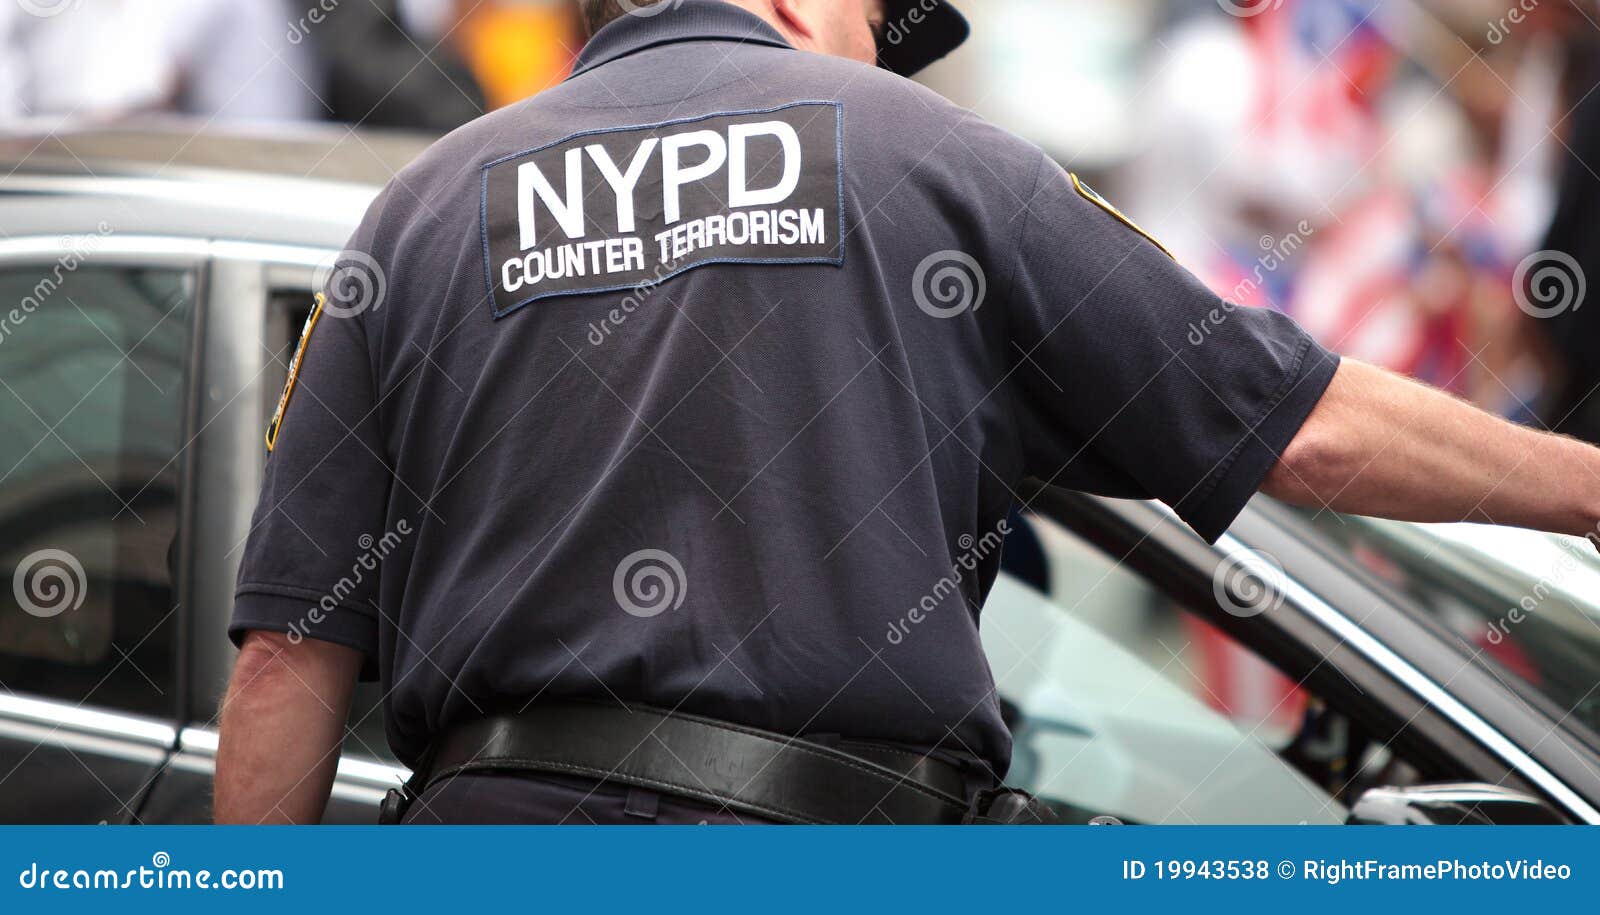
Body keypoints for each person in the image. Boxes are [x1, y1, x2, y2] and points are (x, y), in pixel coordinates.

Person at [215, 0, 1600, 826]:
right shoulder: (932, 163)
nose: (887, 47)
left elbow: (285, 660)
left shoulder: (418, 211)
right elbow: (1298, 428)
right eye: (883, 15)